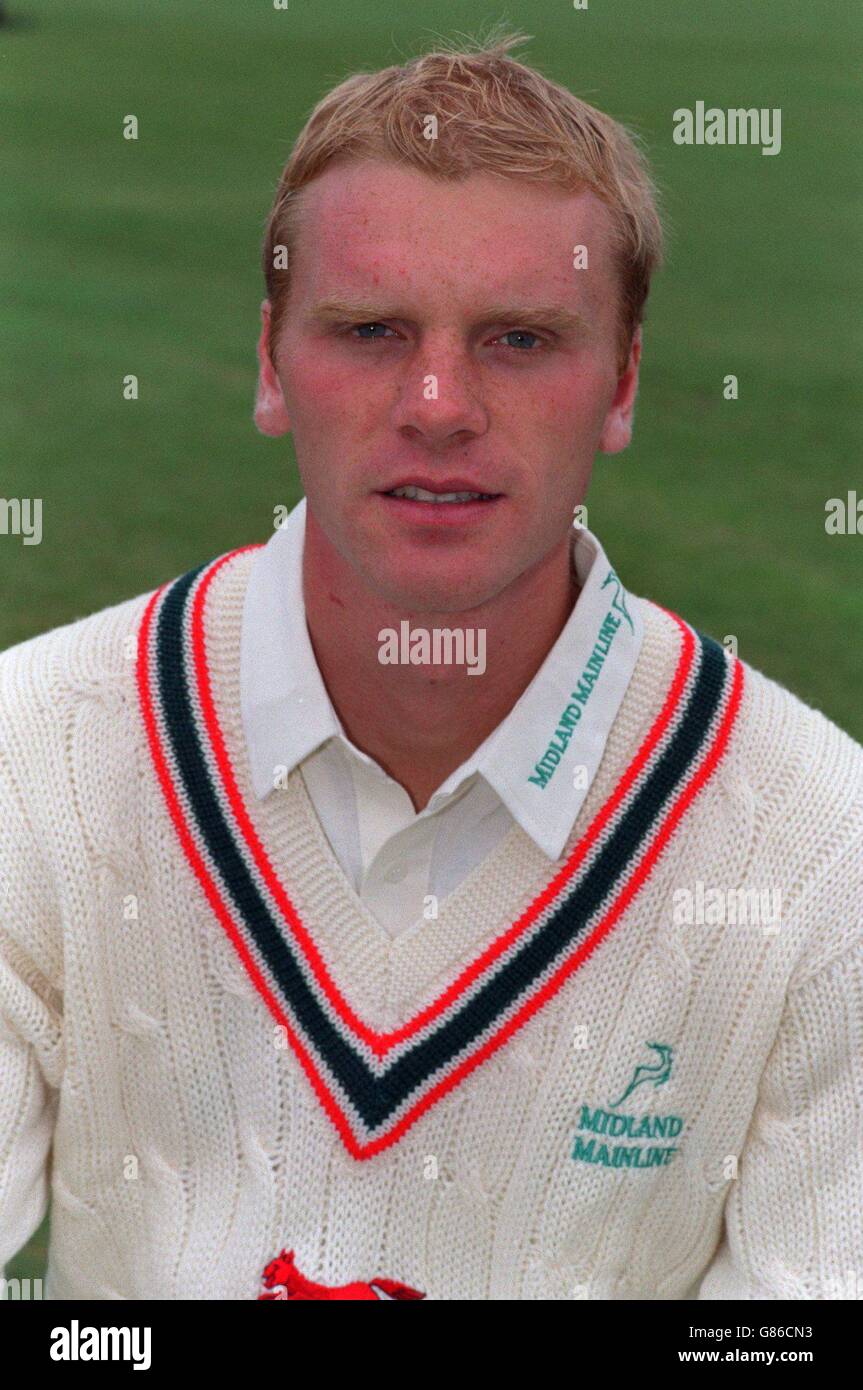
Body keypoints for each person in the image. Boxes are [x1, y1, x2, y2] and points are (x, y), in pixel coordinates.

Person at [1, 31, 860, 1301]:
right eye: (368, 329)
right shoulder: (34, 754)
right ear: (268, 364)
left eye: (517, 339)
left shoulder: (821, 851)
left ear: (619, 381)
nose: (440, 402)